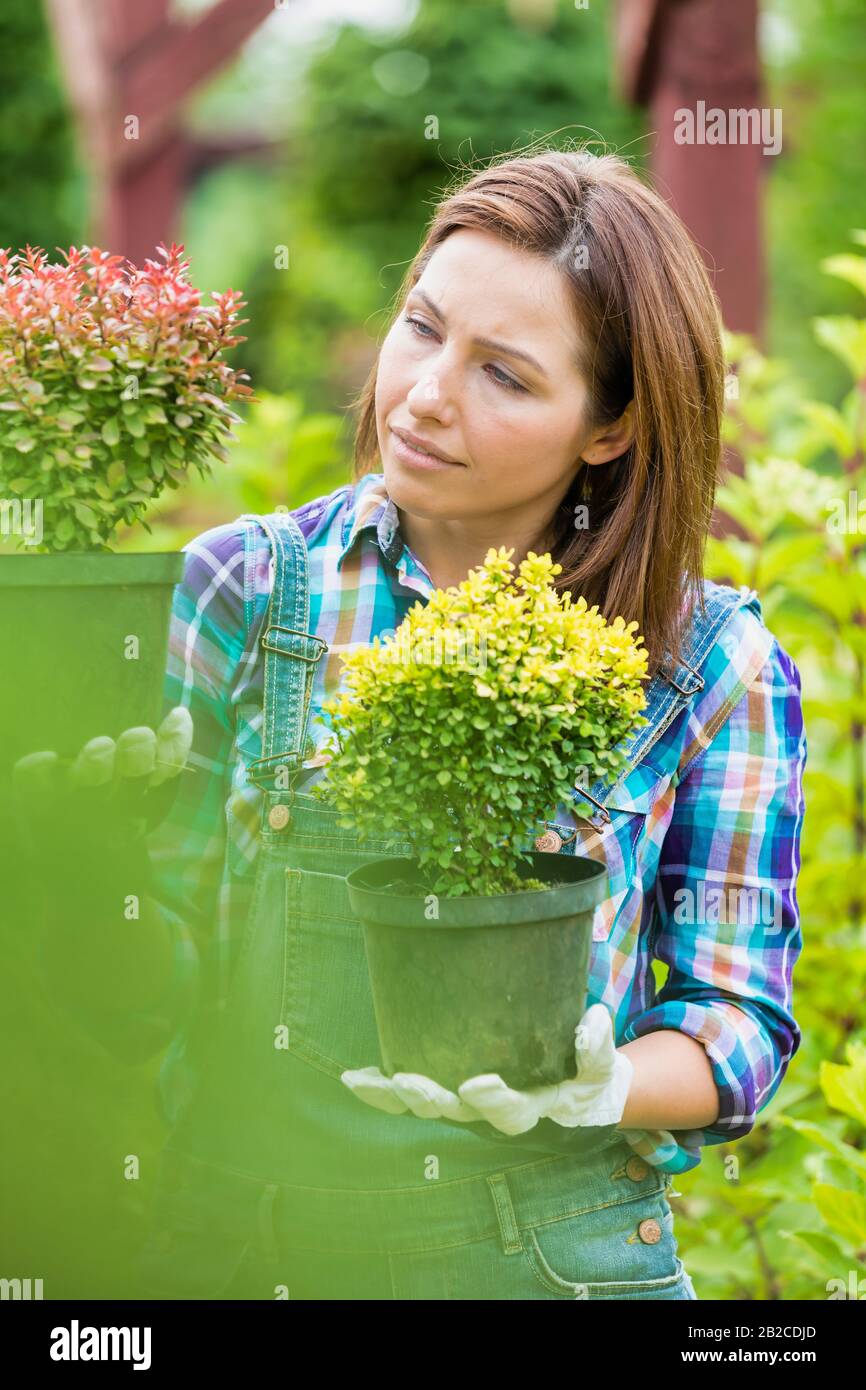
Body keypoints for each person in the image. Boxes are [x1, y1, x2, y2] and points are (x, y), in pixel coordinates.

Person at [30, 145, 807, 1300]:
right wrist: (82, 878)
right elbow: (158, 989)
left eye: (504, 374)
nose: (424, 393)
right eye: (421, 327)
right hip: (244, 1244)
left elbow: (733, 1016)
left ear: (608, 428)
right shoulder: (246, 587)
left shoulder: (708, 664)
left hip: (546, 1251)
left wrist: (602, 1085)